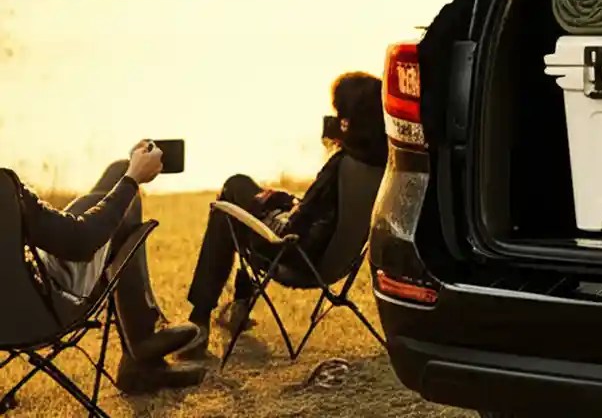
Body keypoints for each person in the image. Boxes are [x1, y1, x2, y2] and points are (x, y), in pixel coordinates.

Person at [180, 72, 388, 358]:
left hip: (295, 257)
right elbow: (318, 213)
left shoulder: (339, 167)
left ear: (347, 120)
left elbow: (295, 229)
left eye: (338, 112)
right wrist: (285, 200)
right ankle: (239, 301)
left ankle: (199, 321)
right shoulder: (385, 166)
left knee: (232, 193)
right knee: (247, 200)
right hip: (337, 263)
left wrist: (271, 205)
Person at [6, 141, 205, 393]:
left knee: (118, 171)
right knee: (123, 198)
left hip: (10, 305)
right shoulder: (4, 188)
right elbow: (81, 242)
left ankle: (143, 349)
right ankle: (142, 345)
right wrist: (133, 180)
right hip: (40, 308)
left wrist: (128, 173)